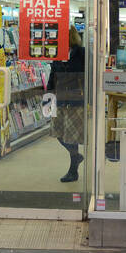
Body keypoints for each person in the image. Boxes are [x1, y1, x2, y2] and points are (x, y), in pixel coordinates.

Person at [47, 25, 86, 182]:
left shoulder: (81, 53)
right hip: (60, 99)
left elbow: (87, 75)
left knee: (71, 137)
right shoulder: (57, 54)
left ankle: (73, 170)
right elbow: (52, 76)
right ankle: (76, 157)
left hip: (76, 101)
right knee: (57, 133)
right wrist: (47, 99)